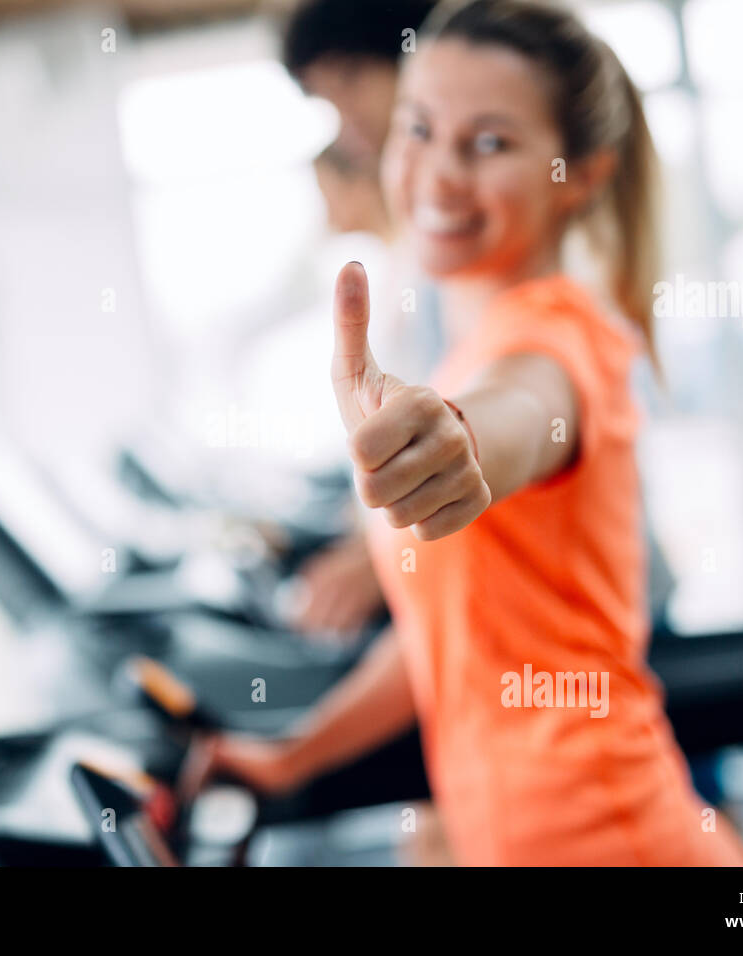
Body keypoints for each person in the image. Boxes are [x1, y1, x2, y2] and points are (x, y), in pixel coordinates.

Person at [184, 0, 743, 866]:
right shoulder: (470, 349)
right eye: (420, 129)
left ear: (580, 175)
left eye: (489, 143)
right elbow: (444, 640)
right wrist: (291, 756)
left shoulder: (558, 339)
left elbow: (523, 411)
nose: (438, 175)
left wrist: (457, 440)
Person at [283, 0, 441, 639]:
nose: (346, 124)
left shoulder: (465, 243)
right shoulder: (419, 250)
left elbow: (496, 414)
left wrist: (388, 547)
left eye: (349, 82)